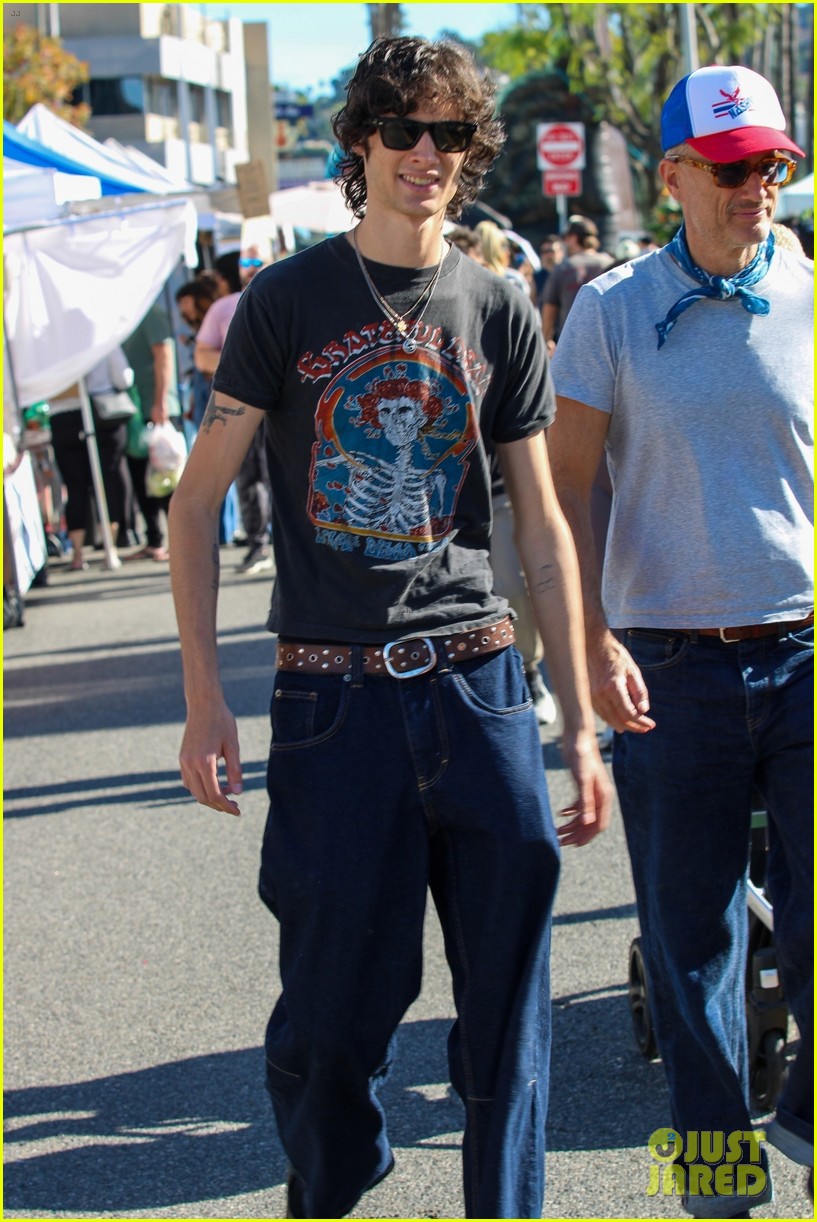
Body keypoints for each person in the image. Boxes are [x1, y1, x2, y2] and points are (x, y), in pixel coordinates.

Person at [168, 35, 611, 1221]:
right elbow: (195, 501)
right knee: (323, 1029)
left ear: (471, 154)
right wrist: (206, 698)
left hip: (479, 687)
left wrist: (574, 727)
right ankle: (335, 1173)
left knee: (510, 1017)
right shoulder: (287, 300)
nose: (427, 155)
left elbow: (543, 522)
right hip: (334, 703)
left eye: (450, 134)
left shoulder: (496, 304)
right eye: (404, 129)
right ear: (360, 140)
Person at [547, 64, 813, 1218]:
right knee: (689, 941)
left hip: (805, 652)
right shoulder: (609, 308)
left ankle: (798, 1108)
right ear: (670, 177)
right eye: (729, 167)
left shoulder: (807, 288)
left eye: (769, 164)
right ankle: (715, 1181)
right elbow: (561, 493)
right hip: (667, 667)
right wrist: (591, 638)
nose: (755, 186)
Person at [195, 244, 274, 575]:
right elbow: (202, 356)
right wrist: (242, 368)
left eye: (259, 260)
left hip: (282, 408)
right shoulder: (224, 308)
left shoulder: (287, 296)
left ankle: (289, 546)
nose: (252, 268)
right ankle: (258, 544)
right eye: (246, 262)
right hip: (239, 405)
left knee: (284, 476)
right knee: (247, 477)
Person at [50, 344, 132, 570]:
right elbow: (123, 377)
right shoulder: (101, 337)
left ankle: (78, 555)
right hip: (101, 413)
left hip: (63, 417)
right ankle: (110, 550)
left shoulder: (51, 345)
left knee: (76, 488)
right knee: (106, 484)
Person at [122, 298, 184, 562]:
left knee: (170, 480)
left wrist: (160, 401)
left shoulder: (150, 312)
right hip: (135, 410)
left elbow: (164, 355)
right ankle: (155, 540)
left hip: (157, 409)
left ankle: (180, 542)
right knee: (142, 478)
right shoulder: (125, 316)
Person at [540, 215, 613, 349]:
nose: (565, 243)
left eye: (566, 238)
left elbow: (550, 308)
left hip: (572, 344)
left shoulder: (563, 268)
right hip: (608, 342)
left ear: (574, 238)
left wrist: (545, 339)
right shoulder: (610, 264)